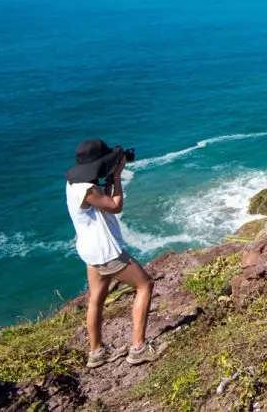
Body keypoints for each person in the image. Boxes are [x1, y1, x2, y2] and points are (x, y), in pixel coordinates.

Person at [65, 139, 160, 368]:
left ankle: (97, 352)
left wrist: (108, 177)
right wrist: (116, 176)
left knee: (96, 300)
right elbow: (115, 206)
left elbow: (104, 203)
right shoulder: (87, 189)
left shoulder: (74, 184)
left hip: (90, 251)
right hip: (106, 252)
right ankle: (138, 348)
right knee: (145, 285)